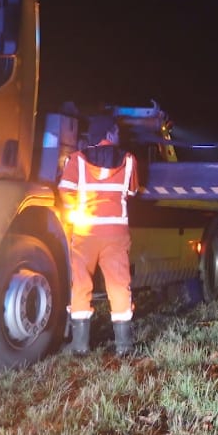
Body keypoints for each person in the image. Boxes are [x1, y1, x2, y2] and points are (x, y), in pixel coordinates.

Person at [59, 115, 139, 355]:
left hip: (86, 233)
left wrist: (78, 210)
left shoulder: (77, 160)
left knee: (81, 285)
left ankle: (80, 345)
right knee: (118, 286)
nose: (119, 136)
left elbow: (65, 191)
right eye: (117, 132)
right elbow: (133, 191)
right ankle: (124, 346)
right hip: (115, 233)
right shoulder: (129, 160)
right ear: (110, 134)